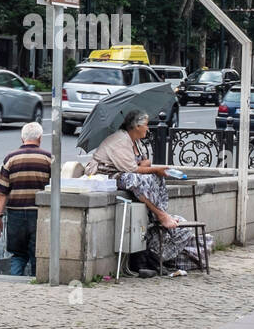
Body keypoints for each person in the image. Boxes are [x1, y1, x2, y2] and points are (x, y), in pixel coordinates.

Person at [85, 110, 204, 277]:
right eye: (146, 125)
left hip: (124, 173)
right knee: (141, 179)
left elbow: (144, 162)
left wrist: (151, 167)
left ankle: (160, 213)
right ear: (137, 126)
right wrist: (155, 168)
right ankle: (160, 215)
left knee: (157, 178)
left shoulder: (135, 141)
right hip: (107, 175)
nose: (148, 129)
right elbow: (133, 169)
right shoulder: (120, 140)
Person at [0, 122, 52, 276]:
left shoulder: (10, 159)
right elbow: (56, 189)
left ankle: (14, 285)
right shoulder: (48, 159)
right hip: (39, 214)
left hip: (15, 215)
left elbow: (2, 192)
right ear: (40, 138)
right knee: (37, 255)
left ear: (22, 138)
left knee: (18, 255)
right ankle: (35, 284)